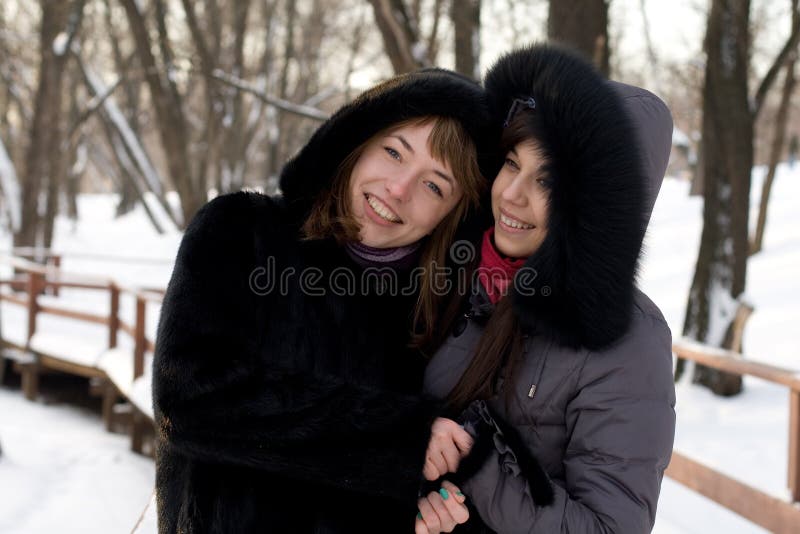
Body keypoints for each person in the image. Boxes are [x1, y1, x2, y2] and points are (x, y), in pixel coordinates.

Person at [152, 69, 494, 533]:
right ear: (356, 142)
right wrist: (397, 438)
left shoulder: (437, 318)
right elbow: (191, 399)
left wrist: (428, 513)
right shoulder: (240, 231)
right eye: (394, 152)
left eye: (435, 185)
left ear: (453, 214)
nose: (398, 189)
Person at [421, 45, 676, 533]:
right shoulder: (461, 276)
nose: (512, 194)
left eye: (548, 181)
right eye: (512, 163)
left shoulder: (629, 344)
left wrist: (474, 460)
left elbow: (609, 528)